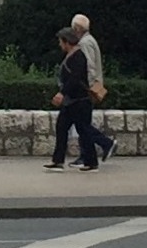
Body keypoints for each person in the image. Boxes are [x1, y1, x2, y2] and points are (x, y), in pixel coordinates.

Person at [44, 27, 106, 172]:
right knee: (64, 127)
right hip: (72, 100)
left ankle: (90, 162)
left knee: (83, 130)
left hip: (78, 100)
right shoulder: (72, 55)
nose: (60, 45)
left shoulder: (78, 56)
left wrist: (62, 93)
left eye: (61, 41)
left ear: (67, 42)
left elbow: (75, 78)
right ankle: (60, 161)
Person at [71, 13, 114, 164]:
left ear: (77, 28)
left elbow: (89, 66)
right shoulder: (90, 40)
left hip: (86, 89)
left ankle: (105, 143)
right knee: (83, 122)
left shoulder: (85, 43)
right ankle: (85, 154)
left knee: (82, 124)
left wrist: (88, 87)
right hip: (90, 87)